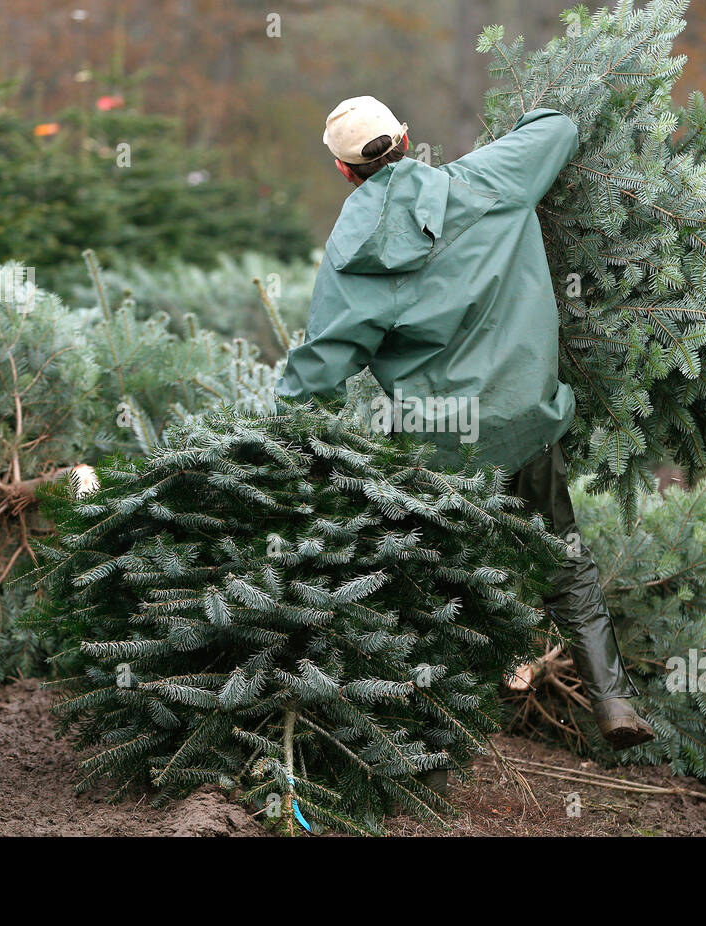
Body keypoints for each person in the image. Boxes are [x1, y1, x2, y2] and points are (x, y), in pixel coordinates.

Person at [275, 96, 655, 768]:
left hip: (439, 440)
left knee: (441, 573)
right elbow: (558, 127)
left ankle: (443, 729)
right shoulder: (489, 179)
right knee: (564, 561)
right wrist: (531, 103)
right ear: (408, 138)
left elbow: (323, 365)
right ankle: (615, 699)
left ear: (342, 172)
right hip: (522, 416)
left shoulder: (351, 250)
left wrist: (275, 435)